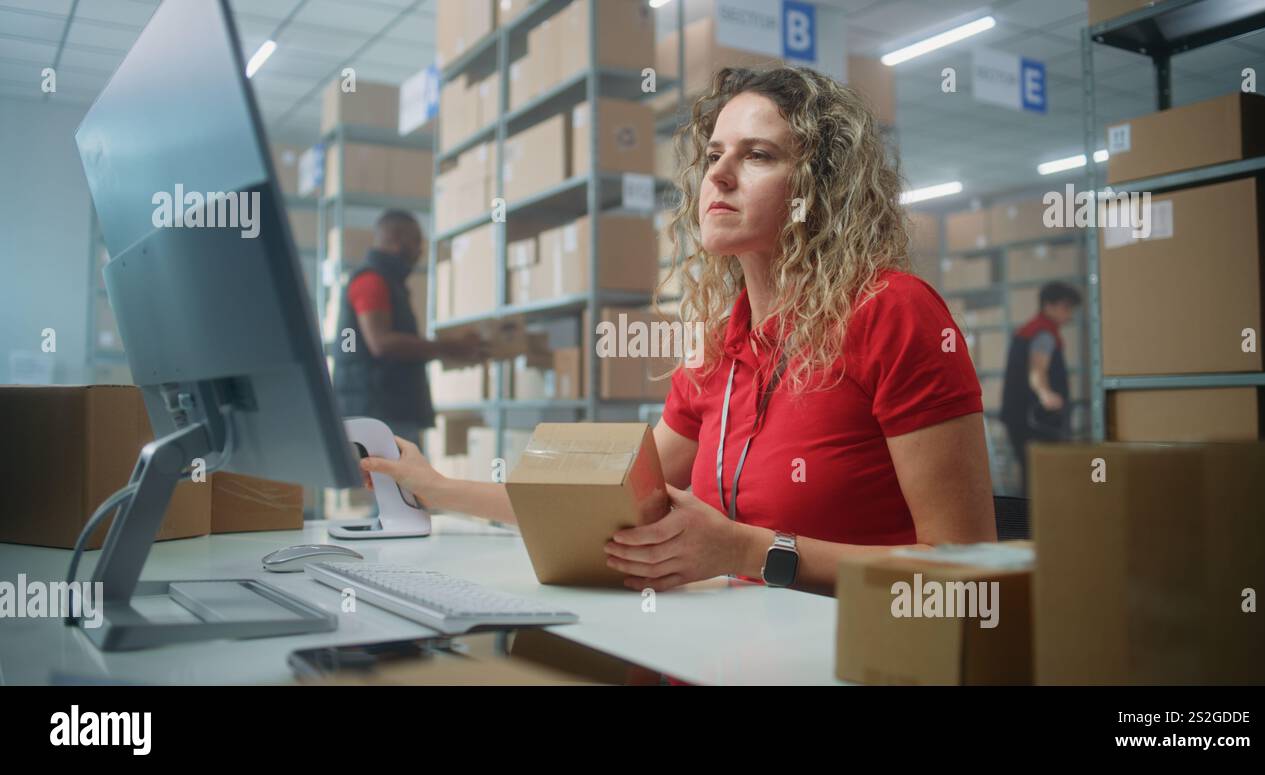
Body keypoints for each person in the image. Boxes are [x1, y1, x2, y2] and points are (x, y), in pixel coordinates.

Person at [360, 66, 997, 597]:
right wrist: (438, 490)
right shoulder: (722, 344)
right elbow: (599, 499)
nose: (717, 175)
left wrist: (748, 550)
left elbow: (967, 572)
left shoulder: (893, 313)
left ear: (820, 190)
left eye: (759, 156)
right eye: (715, 154)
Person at [331, 209, 481, 446]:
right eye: (416, 241)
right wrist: (448, 348)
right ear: (397, 238)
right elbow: (381, 343)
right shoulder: (372, 280)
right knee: (392, 483)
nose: (420, 250)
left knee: (401, 483)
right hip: (379, 415)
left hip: (383, 411)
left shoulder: (388, 281)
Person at [999, 281, 1081, 495]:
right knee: (1041, 479)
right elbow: (1037, 371)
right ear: (1048, 306)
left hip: (1021, 419)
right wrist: (1045, 394)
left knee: (1034, 477)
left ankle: (1034, 524)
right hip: (1034, 422)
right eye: (1065, 307)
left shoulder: (1028, 331)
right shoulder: (1043, 333)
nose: (1069, 314)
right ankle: (1037, 526)